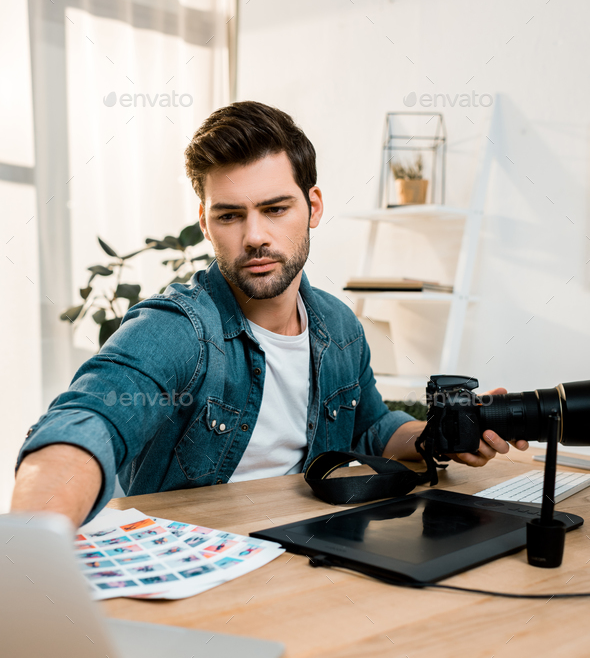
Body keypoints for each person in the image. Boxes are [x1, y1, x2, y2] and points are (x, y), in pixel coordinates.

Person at [10, 101, 527, 528]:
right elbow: (84, 422)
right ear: (206, 225)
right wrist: (34, 556)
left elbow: (372, 426)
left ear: (313, 207)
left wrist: (441, 436)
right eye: (230, 215)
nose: (254, 235)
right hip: (197, 573)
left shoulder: (340, 328)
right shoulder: (178, 329)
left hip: (312, 548)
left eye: (275, 208)